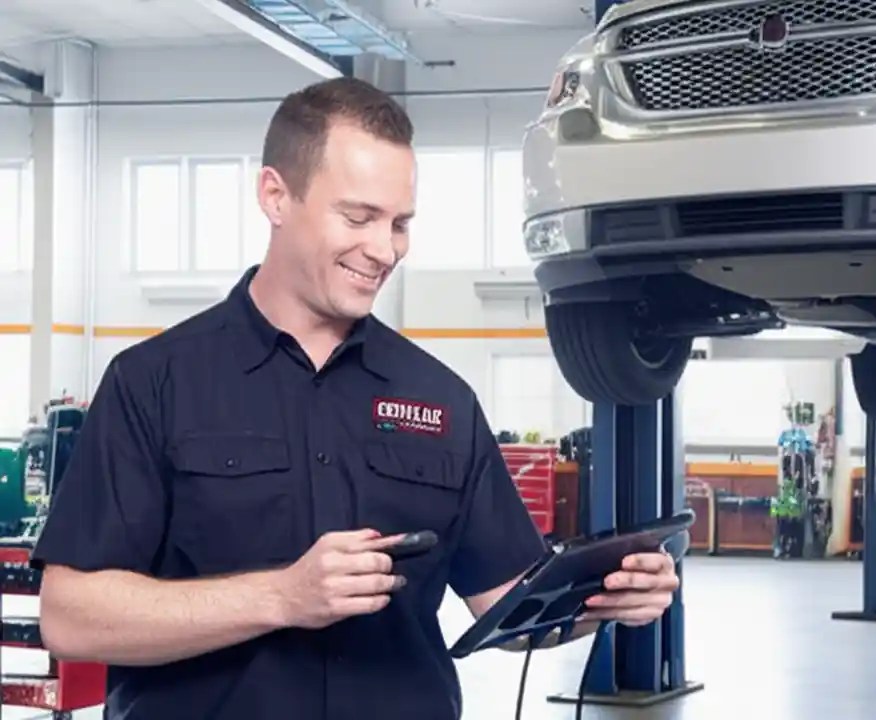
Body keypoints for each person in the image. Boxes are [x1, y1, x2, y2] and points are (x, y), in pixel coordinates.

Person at [30, 77, 680, 720]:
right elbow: (72, 617)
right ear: (276, 195)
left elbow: (508, 605)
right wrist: (283, 597)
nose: (383, 249)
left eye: (399, 223)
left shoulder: (441, 399)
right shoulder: (153, 382)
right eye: (358, 216)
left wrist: (603, 599)